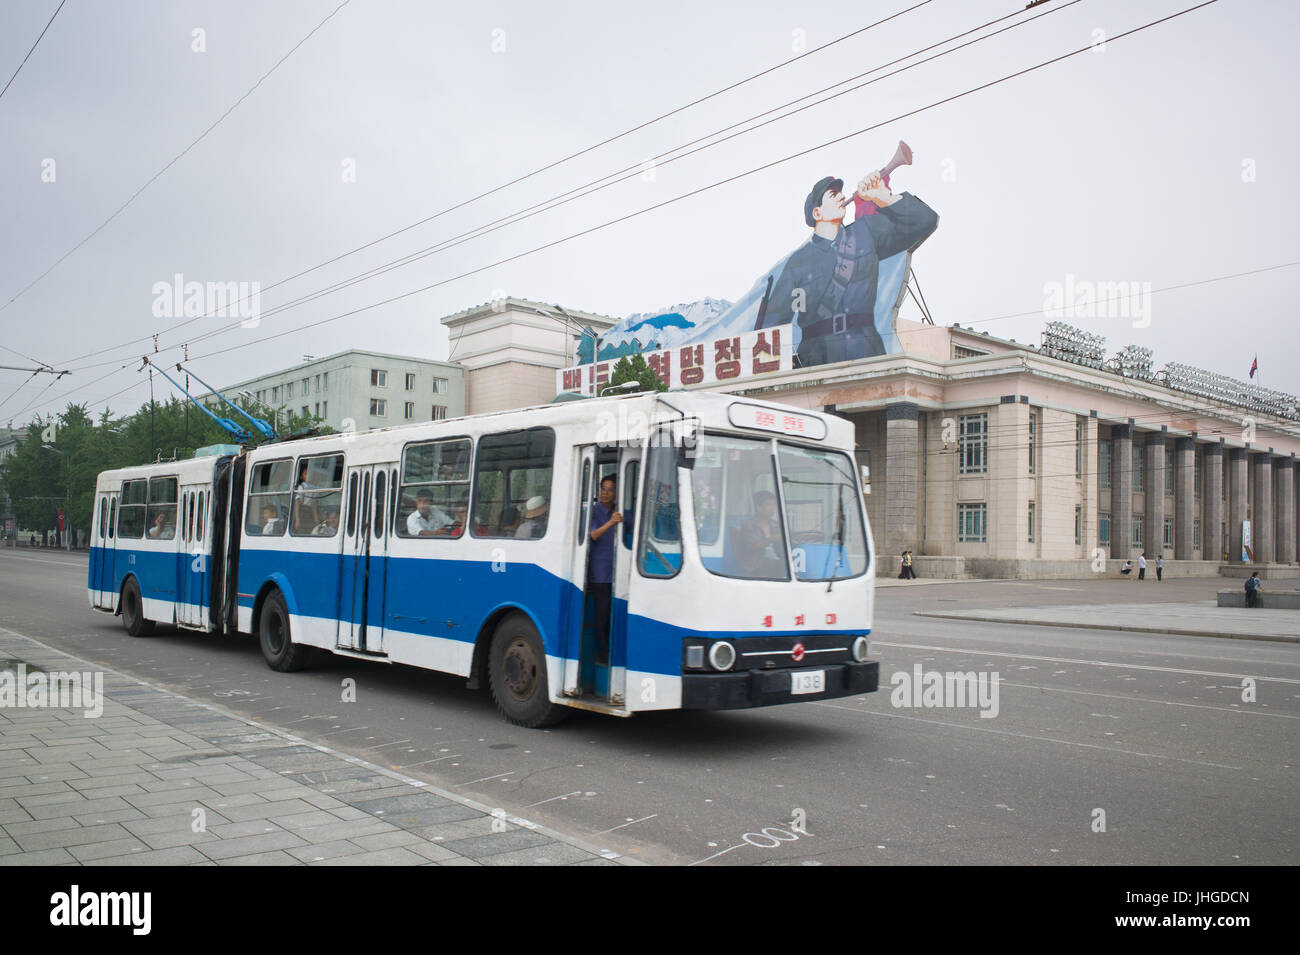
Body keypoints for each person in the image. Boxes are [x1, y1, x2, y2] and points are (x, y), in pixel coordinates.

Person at [762, 153, 939, 366]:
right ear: (817, 212)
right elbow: (770, 328)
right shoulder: (797, 262)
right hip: (816, 357)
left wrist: (882, 197)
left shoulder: (867, 232)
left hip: (865, 348)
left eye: (840, 193)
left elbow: (925, 221)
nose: (841, 196)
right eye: (832, 194)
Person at [586, 477, 626, 665]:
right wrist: (611, 523)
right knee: (602, 616)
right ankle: (603, 654)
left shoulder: (621, 511)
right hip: (600, 573)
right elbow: (592, 535)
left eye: (610, 490)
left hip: (619, 572)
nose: (606, 493)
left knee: (615, 614)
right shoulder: (594, 512)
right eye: (603, 489)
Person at [736, 491, 785, 577]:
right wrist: (771, 539)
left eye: (774, 504)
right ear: (758, 507)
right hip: (756, 567)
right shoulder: (749, 525)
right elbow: (752, 546)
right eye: (769, 504)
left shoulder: (775, 524)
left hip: (775, 564)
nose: (772, 508)